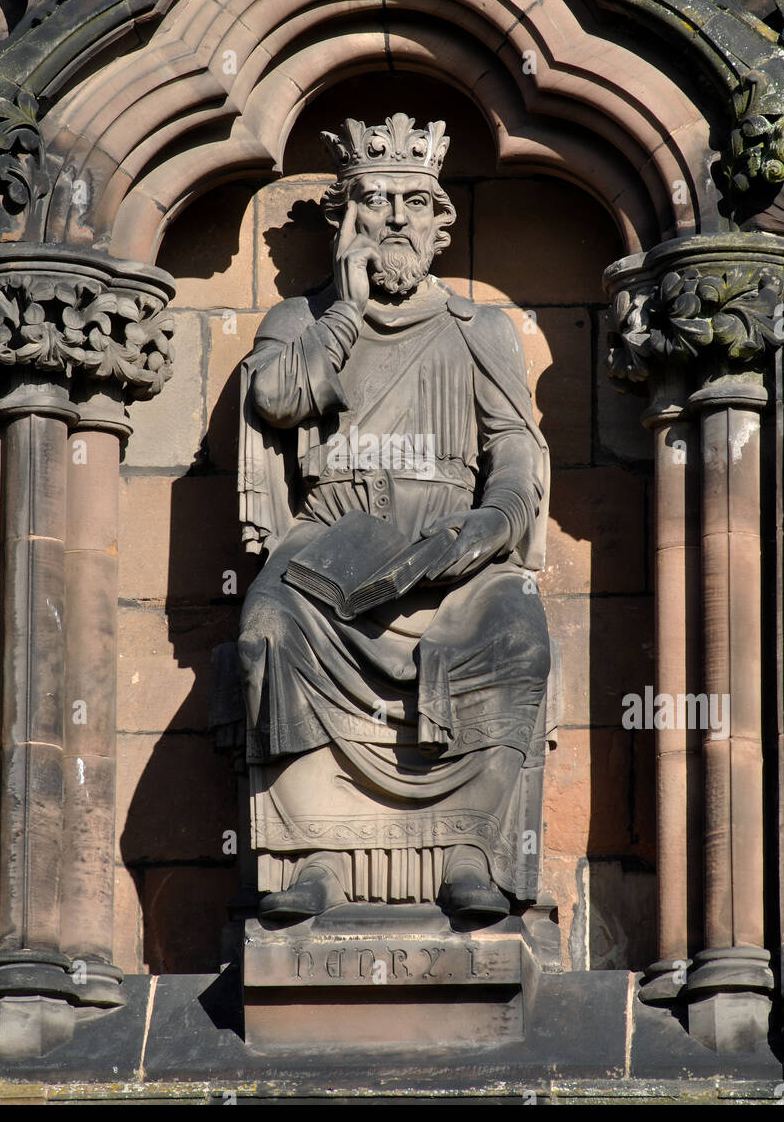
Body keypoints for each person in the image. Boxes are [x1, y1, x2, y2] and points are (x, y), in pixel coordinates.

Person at [236, 113, 551, 921]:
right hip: (332, 543)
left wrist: (493, 524)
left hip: (455, 552)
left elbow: (514, 448)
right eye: (375, 202)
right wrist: (341, 313)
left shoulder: (479, 329)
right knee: (270, 621)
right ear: (347, 221)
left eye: (416, 202)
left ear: (442, 225)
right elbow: (277, 398)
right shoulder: (299, 323)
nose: (397, 220)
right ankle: (313, 854)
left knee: (516, 635)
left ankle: (469, 850)